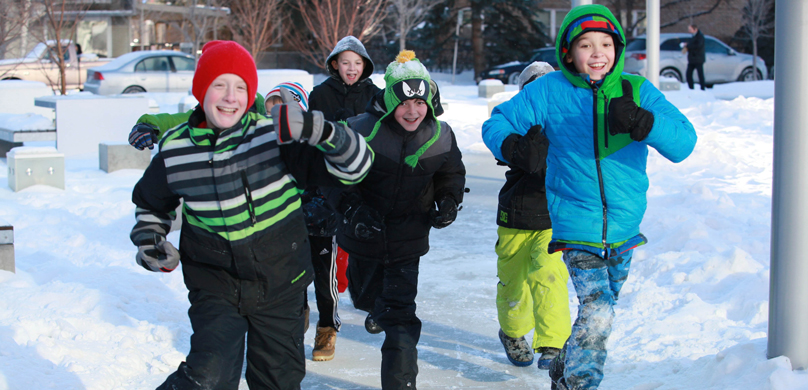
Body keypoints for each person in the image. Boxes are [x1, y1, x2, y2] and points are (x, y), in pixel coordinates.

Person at [129, 40, 373, 390]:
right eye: (219, 85)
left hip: (281, 282)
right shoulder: (177, 149)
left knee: (277, 381)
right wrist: (150, 241)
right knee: (209, 377)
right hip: (215, 285)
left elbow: (358, 167)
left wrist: (320, 130)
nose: (231, 97)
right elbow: (152, 203)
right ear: (201, 90)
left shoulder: (273, 137)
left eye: (240, 87)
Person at [482, 5, 697, 390]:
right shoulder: (550, 91)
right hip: (576, 224)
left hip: (624, 227)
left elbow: (684, 142)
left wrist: (643, 123)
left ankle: (568, 358)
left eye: (605, 43)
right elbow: (496, 122)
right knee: (598, 314)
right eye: (585, 44)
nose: (597, 52)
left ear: (617, 48)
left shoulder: (636, 90)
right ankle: (577, 384)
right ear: (568, 52)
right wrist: (514, 146)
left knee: (602, 312)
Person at [330, 50, 466, 389]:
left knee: (401, 318)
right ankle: (374, 305)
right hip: (365, 236)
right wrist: (352, 210)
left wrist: (448, 201)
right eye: (404, 103)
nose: (413, 110)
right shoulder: (362, 131)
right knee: (365, 298)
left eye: (420, 103)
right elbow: (334, 179)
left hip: (408, 237)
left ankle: (401, 383)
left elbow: (452, 175)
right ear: (390, 102)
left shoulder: (440, 136)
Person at [304, 35, 383, 358]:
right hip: (328, 185)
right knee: (323, 264)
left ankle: (374, 302)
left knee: (370, 251)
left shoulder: (376, 95)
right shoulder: (320, 94)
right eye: (345, 62)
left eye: (357, 63)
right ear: (335, 64)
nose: (351, 69)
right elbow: (310, 142)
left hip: (367, 184)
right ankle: (326, 328)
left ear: (365, 66)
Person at [493, 61, 571, 370]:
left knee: (549, 274)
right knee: (514, 284)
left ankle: (553, 341)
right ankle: (512, 332)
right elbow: (500, 140)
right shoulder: (520, 122)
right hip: (516, 214)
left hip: (553, 218)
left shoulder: (568, 123)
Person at [684, 24, 706, 90]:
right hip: (692, 59)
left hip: (698, 59)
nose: (689, 31)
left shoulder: (700, 37)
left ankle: (702, 88)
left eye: (690, 29)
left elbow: (697, 46)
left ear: (695, 29)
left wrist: (688, 45)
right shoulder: (693, 37)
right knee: (688, 74)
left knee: (700, 75)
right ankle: (691, 88)